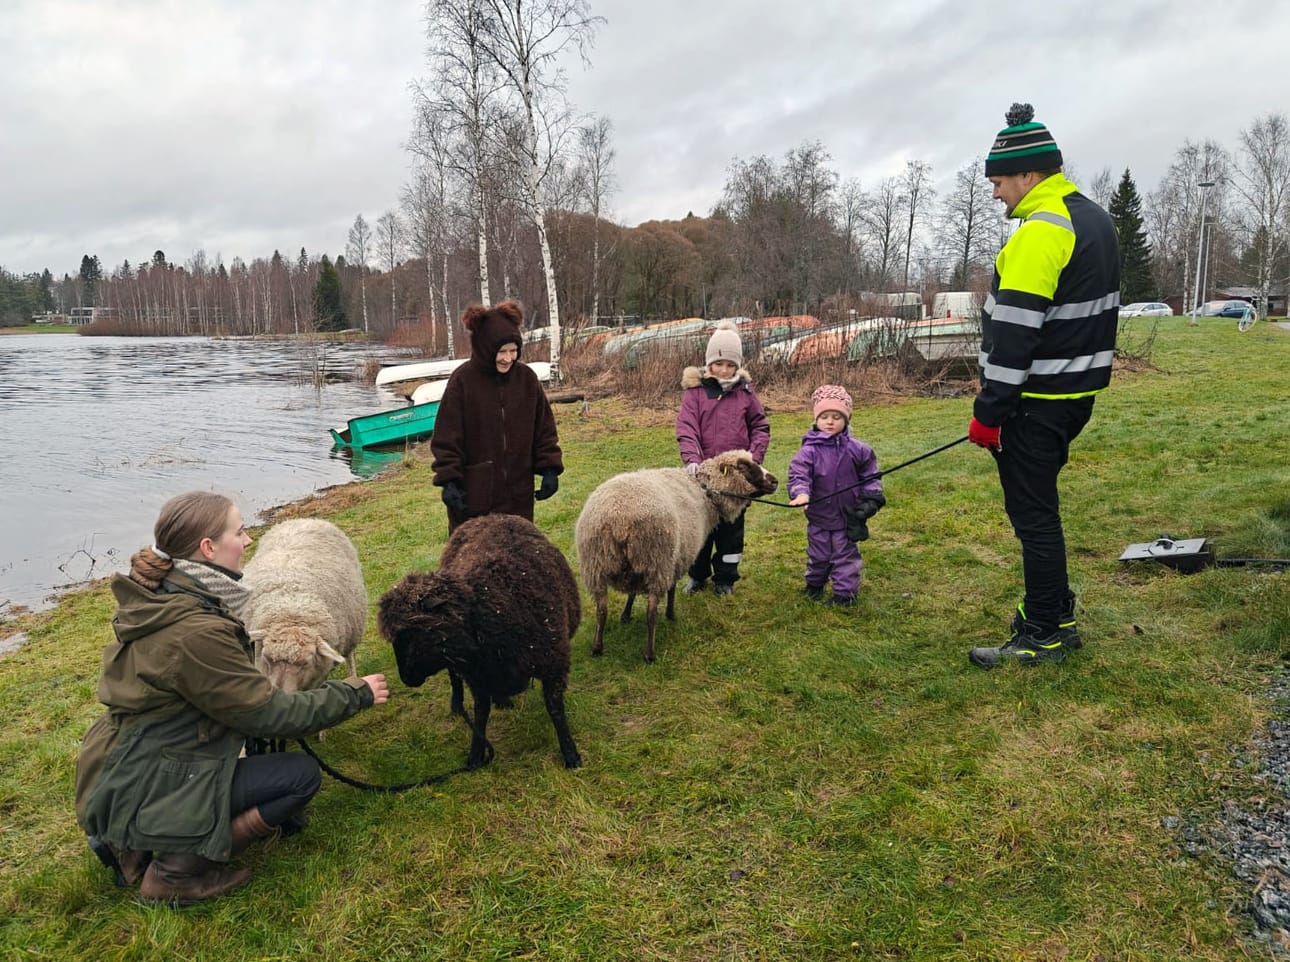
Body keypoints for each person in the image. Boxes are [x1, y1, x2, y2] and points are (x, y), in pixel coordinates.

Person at [74, 492, 390, 906]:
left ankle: (133, 840)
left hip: (130, 758)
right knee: (300, 776)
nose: (248, 541)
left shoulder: (169, 600)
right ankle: (175, 872)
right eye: (239, 532)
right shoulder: (195, 632)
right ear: (208, 547)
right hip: (157, 771)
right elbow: (269, 713)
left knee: (256, 760)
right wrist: (354, 693)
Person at [966, 103, 1120, 669]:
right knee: (1042, 510)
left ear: (1030, 175)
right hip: (1074, 398)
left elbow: (1014, 335)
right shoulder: (1093, 218)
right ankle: (1059, 613)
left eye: (1000, 181)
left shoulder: (1040, 232)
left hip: (1033, 403)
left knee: (1034, 518)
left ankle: (1043, 636)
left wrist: (990, 411)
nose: (996, 192)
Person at [431, 300, 563, 534]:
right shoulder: (462, 382)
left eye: (514, 351)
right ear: (485, 349)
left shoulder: (527, 380)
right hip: (473, 497)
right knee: (470, 561)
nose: (508, 358)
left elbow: (544, 430)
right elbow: (446, 439)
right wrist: (449, 481)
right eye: (501, 352)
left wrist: (550, 468)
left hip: (518, 497)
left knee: (518, 559)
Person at [676, 319, 770, 596]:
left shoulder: (746, 394)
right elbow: (686, 428)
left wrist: (753, 459)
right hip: (703, 478)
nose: (724, 370)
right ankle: (697, 575)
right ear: (708, 364)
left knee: (731, 533)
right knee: (701, 532)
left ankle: (726, 579)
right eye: (719, 364)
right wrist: (692, 459)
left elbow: (760, 427)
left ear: (737, 365)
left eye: (730, 365)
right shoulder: (695, 394)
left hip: (736, 480)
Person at [787, 385, 885, 607]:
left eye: (836, 417)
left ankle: (844, 595)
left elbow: (871, 476)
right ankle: (814, 586)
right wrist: (801, 493)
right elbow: (798, 474)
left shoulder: (860, 450)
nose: (830, 421)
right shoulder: (809, 451)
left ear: (847, 420)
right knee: (818, 555)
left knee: (846, 557)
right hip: (820, 516)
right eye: (824, 416)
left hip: (847, 517)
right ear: (816, 419)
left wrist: (872, 499)